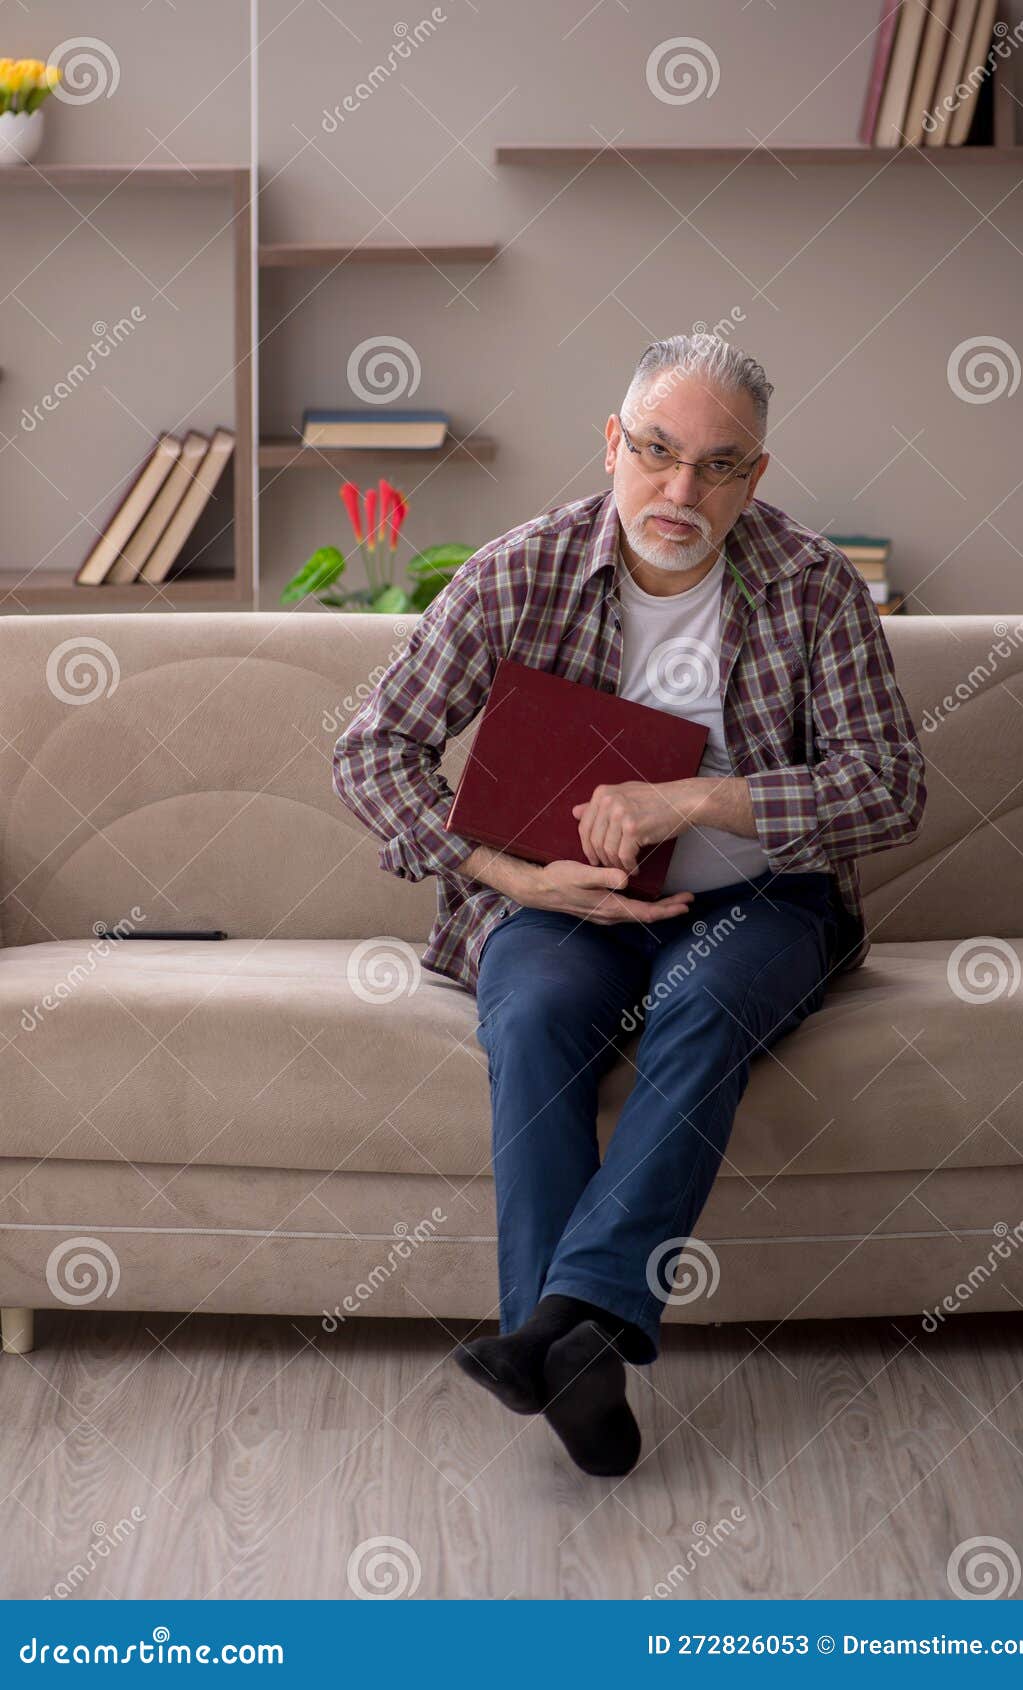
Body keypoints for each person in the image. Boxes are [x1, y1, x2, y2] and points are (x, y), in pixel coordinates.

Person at [332, 331, 926, 1478]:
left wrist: (695, 798)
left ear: (755, 476)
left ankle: (559, 1332)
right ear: (613, 443)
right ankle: (583, 1357)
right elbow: (372, 749)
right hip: (564, 903)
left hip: (760, 902)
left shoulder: (812, 586)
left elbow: (891, 786)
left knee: (705, 1000)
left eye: (718, 464)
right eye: (657, 451)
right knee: (532, 1009)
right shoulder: (519, 572)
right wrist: (511, 876)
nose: (681, 490)